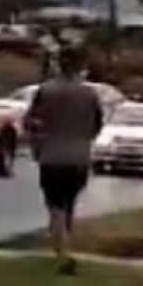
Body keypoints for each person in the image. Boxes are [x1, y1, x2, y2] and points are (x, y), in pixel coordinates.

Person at [24, 48, 103, 274]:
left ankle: (63, 255)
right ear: (81, 67)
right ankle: (63, 245)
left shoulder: (46, 91)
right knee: (68, 202)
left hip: (52, 156)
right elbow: (97, 125)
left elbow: (31, 122)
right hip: (79, 157)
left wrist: (37, 144)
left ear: (59, 65)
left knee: (55, 205)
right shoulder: (90, 94)